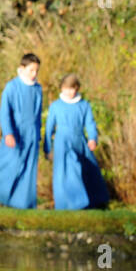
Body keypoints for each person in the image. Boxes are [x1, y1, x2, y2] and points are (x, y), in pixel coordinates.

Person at [0, 53, 43, 210]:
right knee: (6, 164)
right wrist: (8, 133)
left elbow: (38, 113)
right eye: (31, 70)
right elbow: (4, 112)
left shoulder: (38, 89)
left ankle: (22, 204)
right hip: (15, 133)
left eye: (37, 71)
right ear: (22, 68)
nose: (34, 74)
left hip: (32, 135)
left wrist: (38, 134)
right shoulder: (11, 87)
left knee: (28, 169)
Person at [44, 74, 108, 210]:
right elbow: (49, 127)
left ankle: (94, 202)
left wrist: (92, 138)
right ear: (61, 89)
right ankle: (69, 204)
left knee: (88, 169)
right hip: (62, 142)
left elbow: (90, 123)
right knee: (66, 172)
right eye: (66, 89)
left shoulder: (84, 105)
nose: (69, 92)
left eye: (72, 88)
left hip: (80, 141)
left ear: (77, 88)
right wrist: (48, 148)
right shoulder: (56, 106)